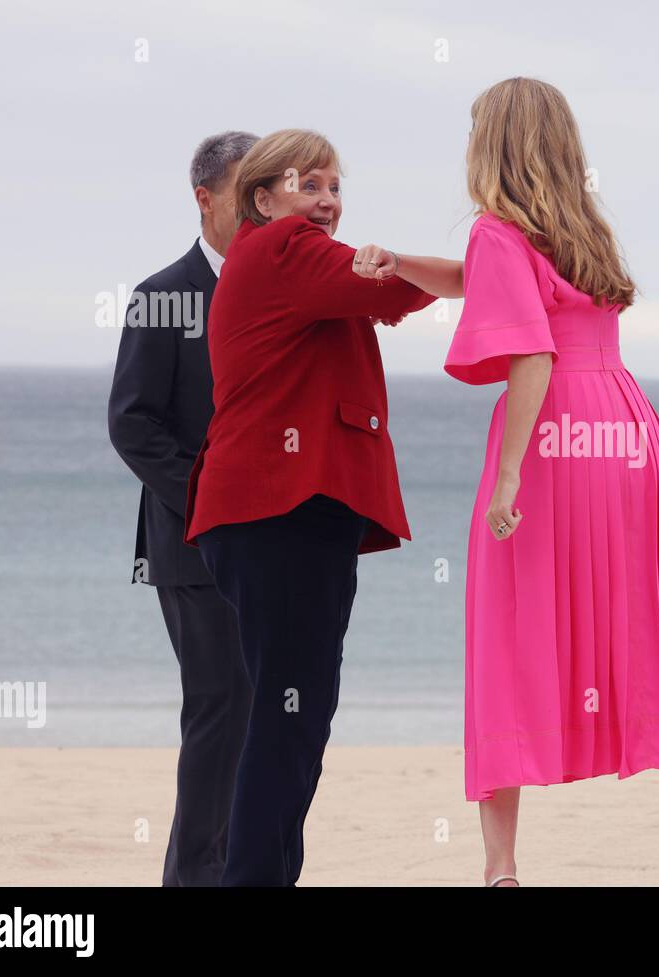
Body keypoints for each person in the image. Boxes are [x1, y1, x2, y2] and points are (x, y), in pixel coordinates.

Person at [369, 77, 659, 887]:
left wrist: (508, 476)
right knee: (650, 647)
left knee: (507, 639)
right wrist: (398, 260)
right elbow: (480, 278)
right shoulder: (576, 227)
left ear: (493, 145)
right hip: (626, 431)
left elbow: (533, 354)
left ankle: (502, 870)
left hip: (554, 438)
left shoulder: (497, 233)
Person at [183, 128, 437, 886]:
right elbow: (396, 292)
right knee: (290, 716)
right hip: (280, 511)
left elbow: (388, 291)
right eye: (307, 184)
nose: (325, 201)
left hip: (282, 515)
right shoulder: (285, 248)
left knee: (294, 714)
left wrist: (389, 261)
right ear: (262, 199)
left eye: (333, 187)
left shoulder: (299, 263)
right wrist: (500, 250)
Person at [107, 130, 258, 885]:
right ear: (206, 199)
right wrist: (210, 500)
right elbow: (131, 421)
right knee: (219, 705)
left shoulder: (276, 288)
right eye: (247, 191)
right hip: (193, 545)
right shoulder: (160, 295)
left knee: (262, 712)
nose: (264, 205)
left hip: (272, 543)